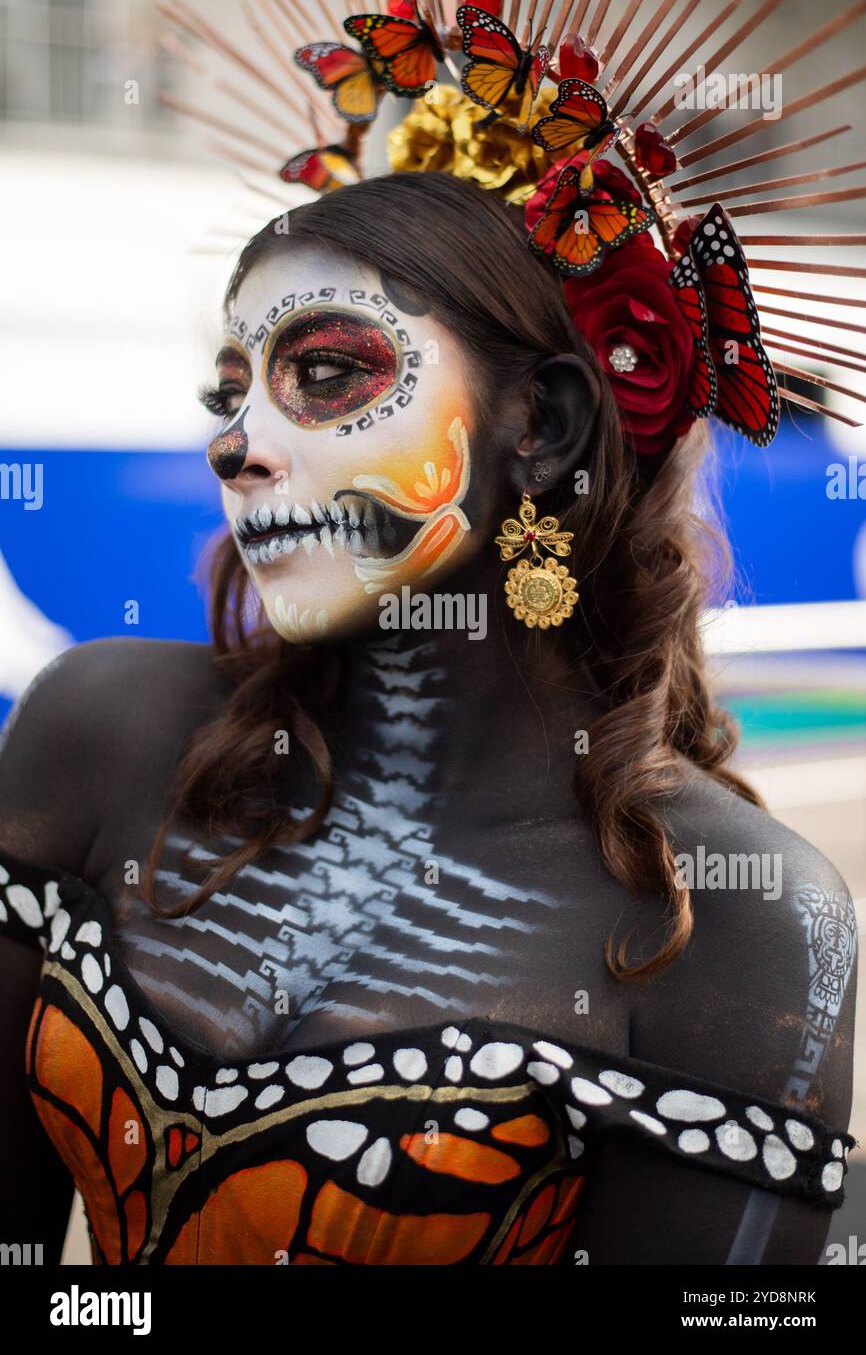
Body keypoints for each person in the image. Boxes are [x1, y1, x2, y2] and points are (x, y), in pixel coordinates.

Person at [0, 172, 856, 1266]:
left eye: (324, 374)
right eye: (231, 395)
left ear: (540, 424)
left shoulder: (725, 919)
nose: (236, 446)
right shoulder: (96, 728)